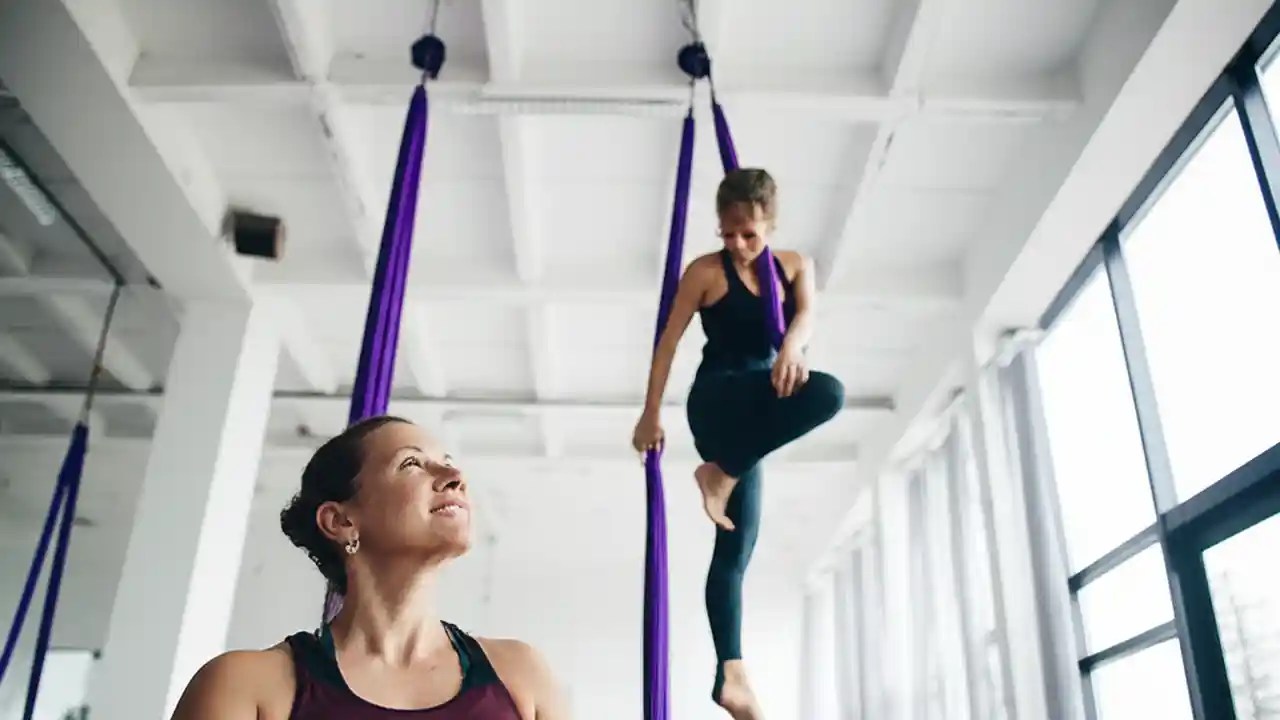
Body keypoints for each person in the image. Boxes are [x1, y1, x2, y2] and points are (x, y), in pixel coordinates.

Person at [169, 415, 569, 719]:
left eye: (447, 462)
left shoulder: (522, 675)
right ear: (341, 521)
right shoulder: (244, 686)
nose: (454, 476)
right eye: (412, 463)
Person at [632, 168, 845, 719]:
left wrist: (791, 349)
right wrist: (651, 413)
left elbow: (805, 317)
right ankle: (719, 472)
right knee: (830, 393)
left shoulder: (794, 266)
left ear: (770, 224)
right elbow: (668, 342)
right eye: (728, 234)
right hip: (719, 401)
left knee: (736, 548)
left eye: (749, 234)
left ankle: (731, 673)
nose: (738, 245)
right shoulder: (706, 273)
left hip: (756, 416)